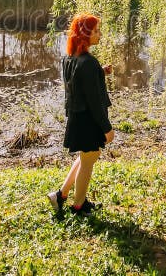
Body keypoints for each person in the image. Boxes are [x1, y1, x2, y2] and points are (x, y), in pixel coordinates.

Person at [47, 13, 115, 218]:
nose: (100, 35)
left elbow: (78, 82)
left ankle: (61, 195)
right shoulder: (88, 63)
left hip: (76, 117)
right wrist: (107, 128)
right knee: (89, 158)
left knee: (87, 156)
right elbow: (94, 102)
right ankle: (78, 206)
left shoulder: (70, 58)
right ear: (86, 35)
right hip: (88, 119)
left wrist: (100, 72)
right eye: (96, 31)